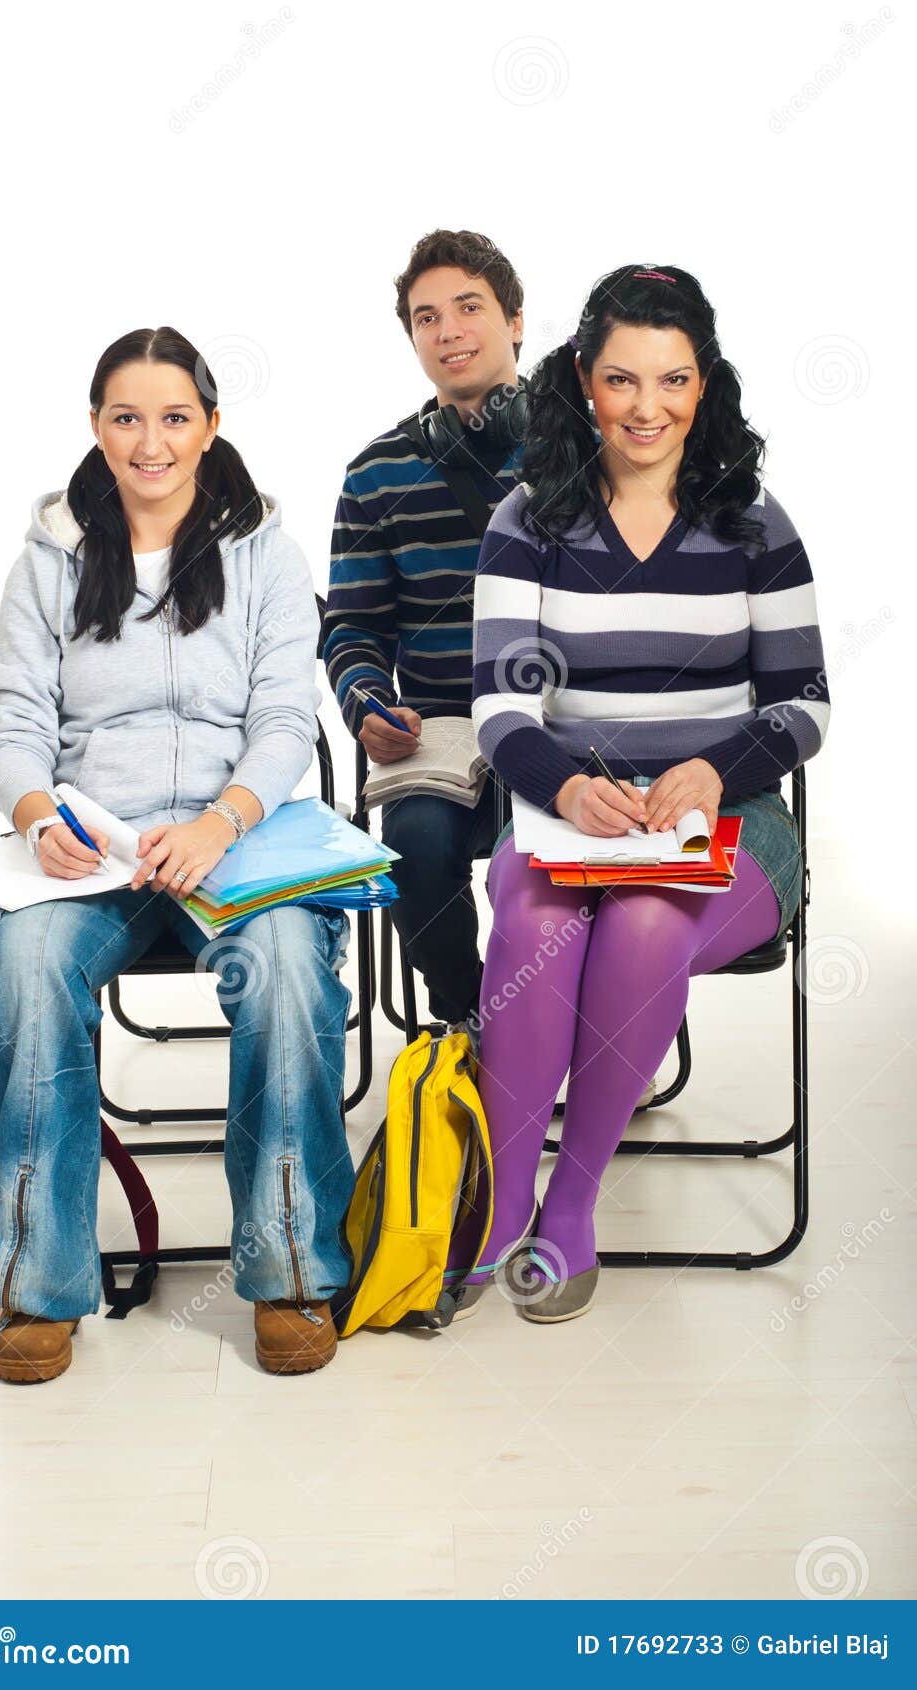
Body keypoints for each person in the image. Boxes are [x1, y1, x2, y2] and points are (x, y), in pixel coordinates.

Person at [0, 326, 353, 1383]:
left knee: (282, 968)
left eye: (174, 416)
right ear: (96, 428)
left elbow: (285, 716)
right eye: (127, 418)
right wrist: (42, 815)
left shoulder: (265, 551)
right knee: (27, 966)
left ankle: (289, 1270)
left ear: (211, 424)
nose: (151, 441)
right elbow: (13, 720)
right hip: (92, 852)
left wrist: (221, 820)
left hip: (237, 840)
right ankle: (38, 1286)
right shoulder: (47, 556)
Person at [452, 265, 829, 1321]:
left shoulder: (754, 522)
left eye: (672, 381)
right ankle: (499, 1202)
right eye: (622, 380)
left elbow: (805, 702)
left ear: (704, 383)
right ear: (583, 378)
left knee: (647, 926)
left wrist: (717, 769)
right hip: (570, 812)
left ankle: (570, 1212)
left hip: (734, 820)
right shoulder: (530, 520)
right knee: (536, 927)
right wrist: (570, 785)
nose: (647, 408)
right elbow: (501, 710)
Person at [323, 229, 526, 1030]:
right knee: (413, 843)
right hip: (439, 731)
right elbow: (352, 626)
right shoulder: (376, 472)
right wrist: (367, 703)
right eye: (425, 318)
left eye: (468, 308)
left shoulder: (592, 448)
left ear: (514, 320)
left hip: (570, 728)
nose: (448, 332)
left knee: (541, 861)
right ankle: (481, 1026)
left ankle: (568, 1018)